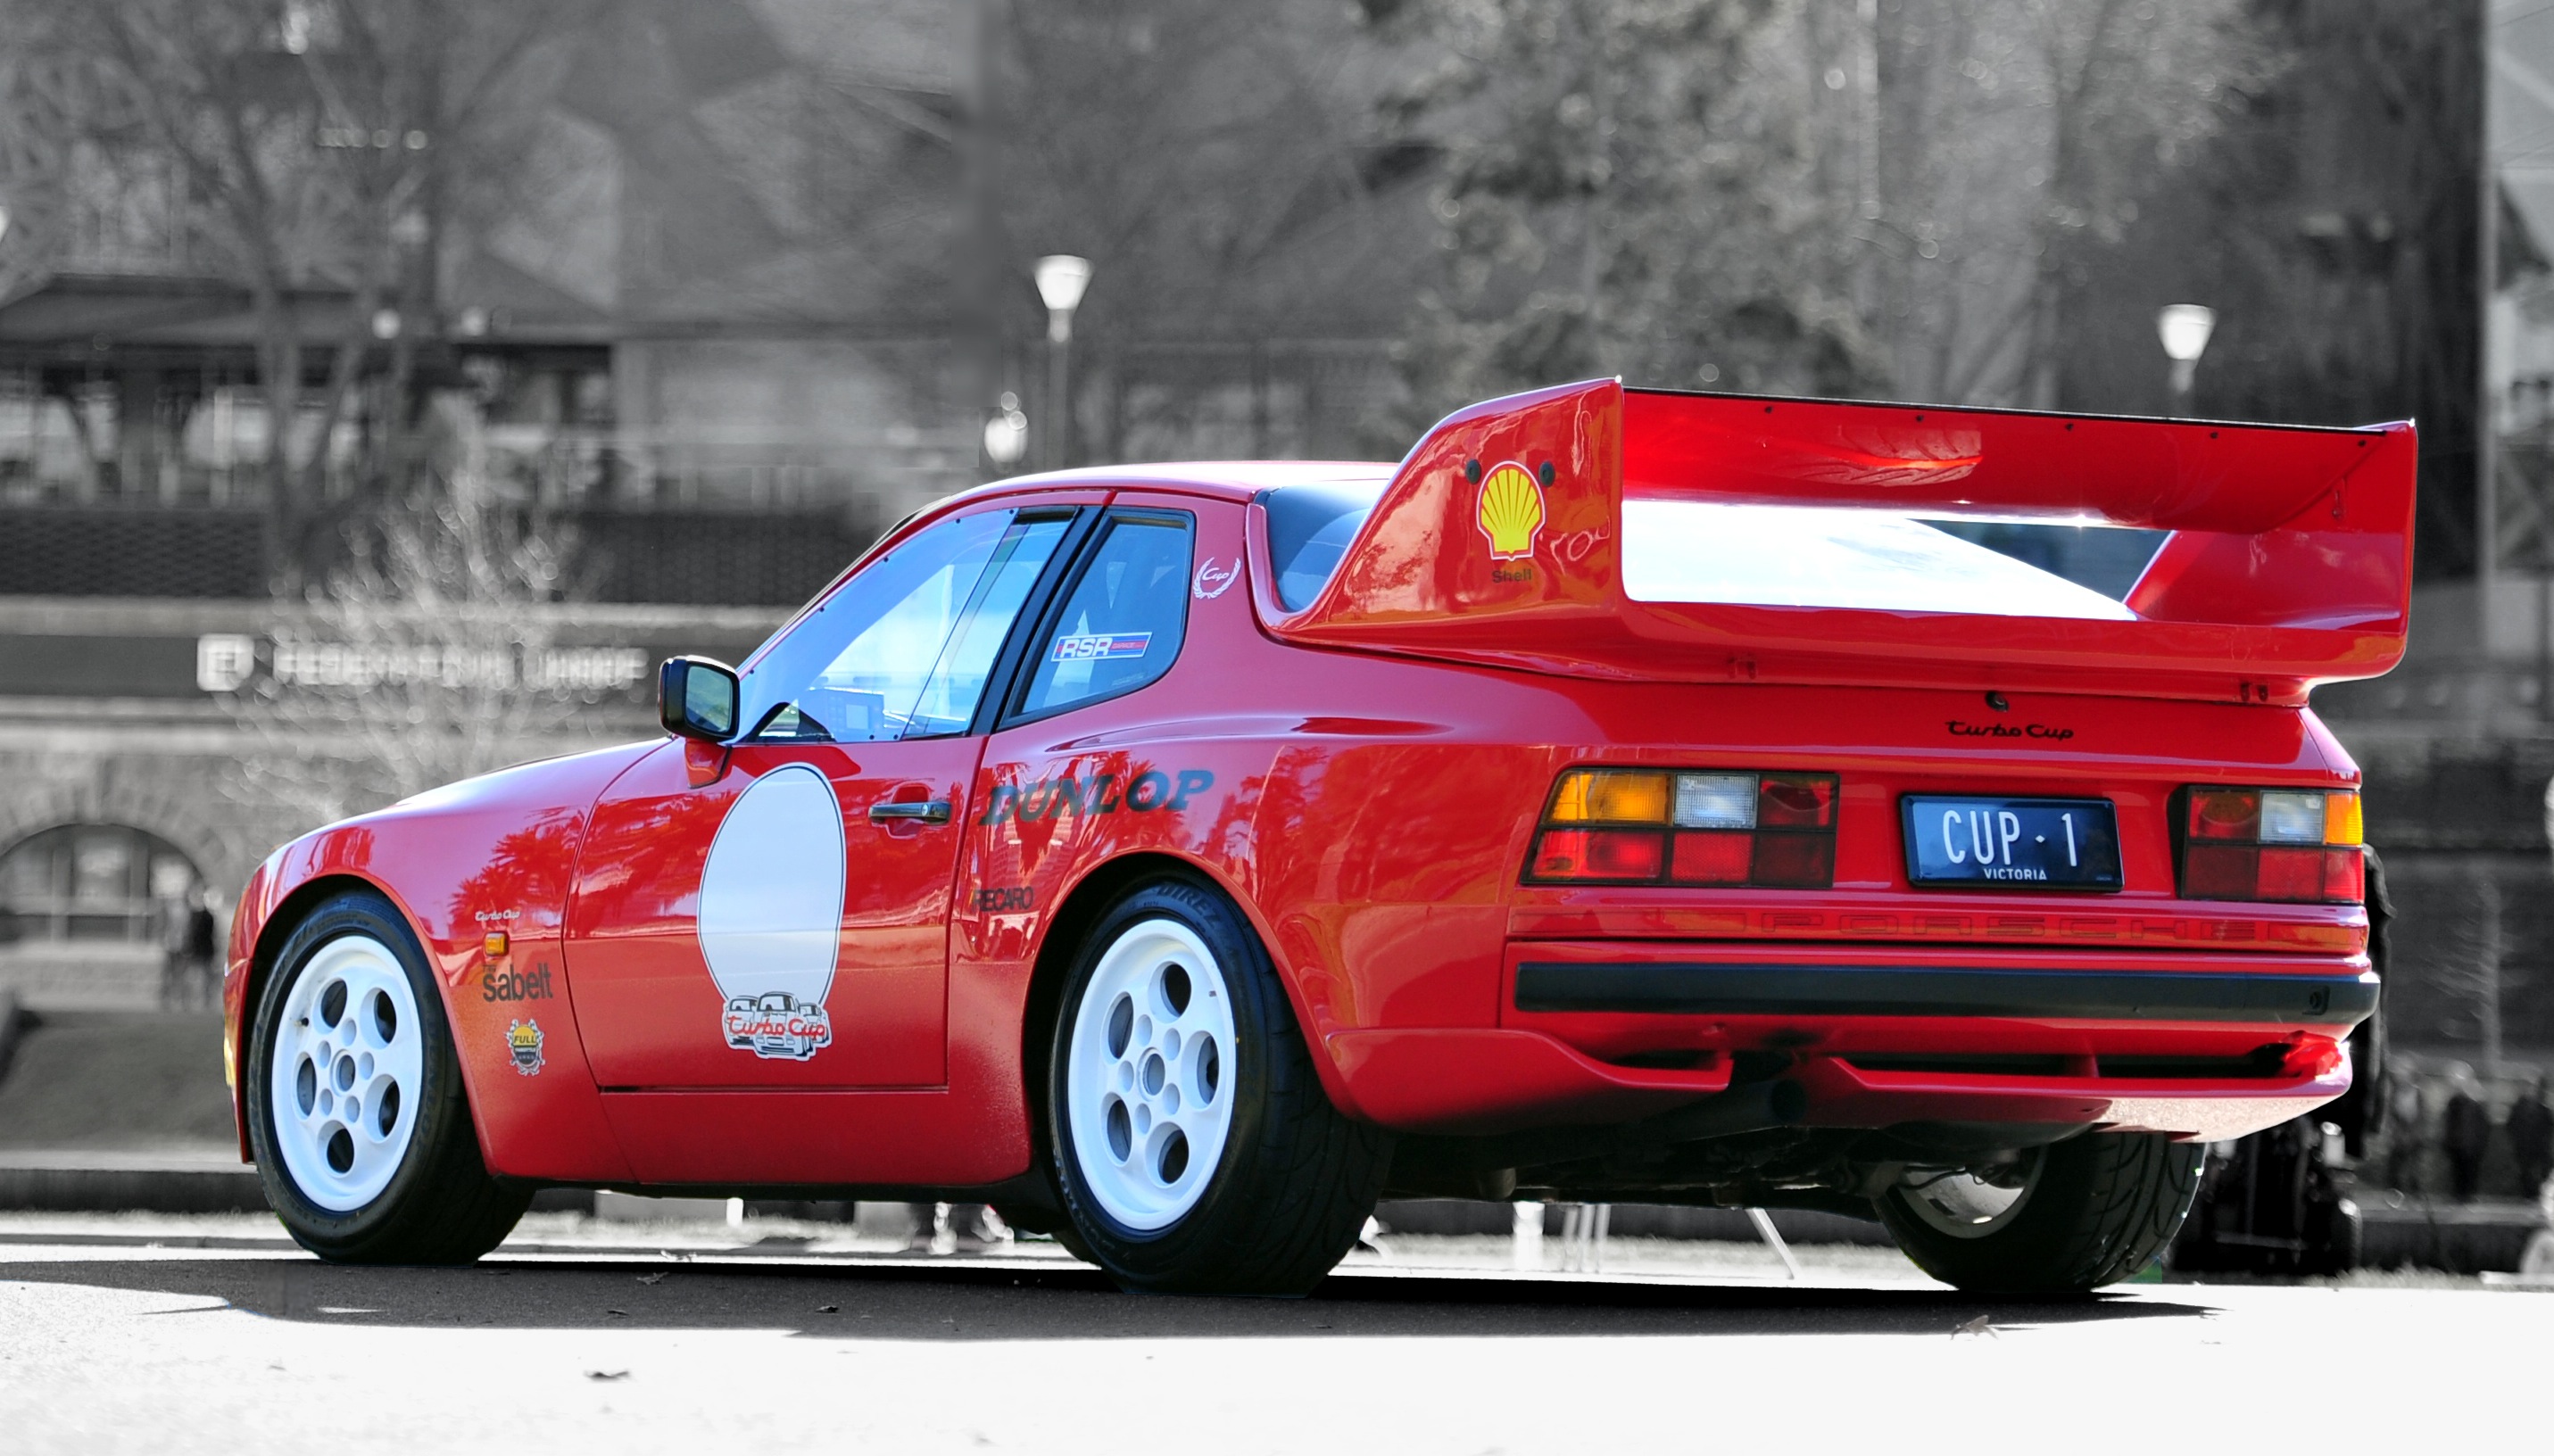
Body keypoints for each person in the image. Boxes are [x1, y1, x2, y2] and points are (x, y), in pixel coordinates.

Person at [2443, 1073, 2492, 1203]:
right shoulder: (2453, 1103)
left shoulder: (2476, 1104)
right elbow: (2449, 1124)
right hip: (2457, 1144)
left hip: (2471, 1145)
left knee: (2471, 1171)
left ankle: (2469, 1195)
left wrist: (2479, 1142)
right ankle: (2459, 1195)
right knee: (2458, 1171)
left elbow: (2482, 1125)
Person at [2507, 1077, 2554, 1200]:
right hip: (2524, 1146)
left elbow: (2548, 1127)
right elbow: (2511, 1126)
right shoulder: (2518, 1108)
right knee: (2526, 1172)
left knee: (2541, 1172)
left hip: (2539, 1146)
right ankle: (2528, 1195)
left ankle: (2539, 1195)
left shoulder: (2543, 1109)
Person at [182, 889, 220, 1010]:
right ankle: (201, 1000)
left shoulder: (197, 917)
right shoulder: (207, 916)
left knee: (198, 977)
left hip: (200, 951)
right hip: (204, 950)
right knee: (202, 977)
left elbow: (194, 935)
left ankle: (197, 1001)